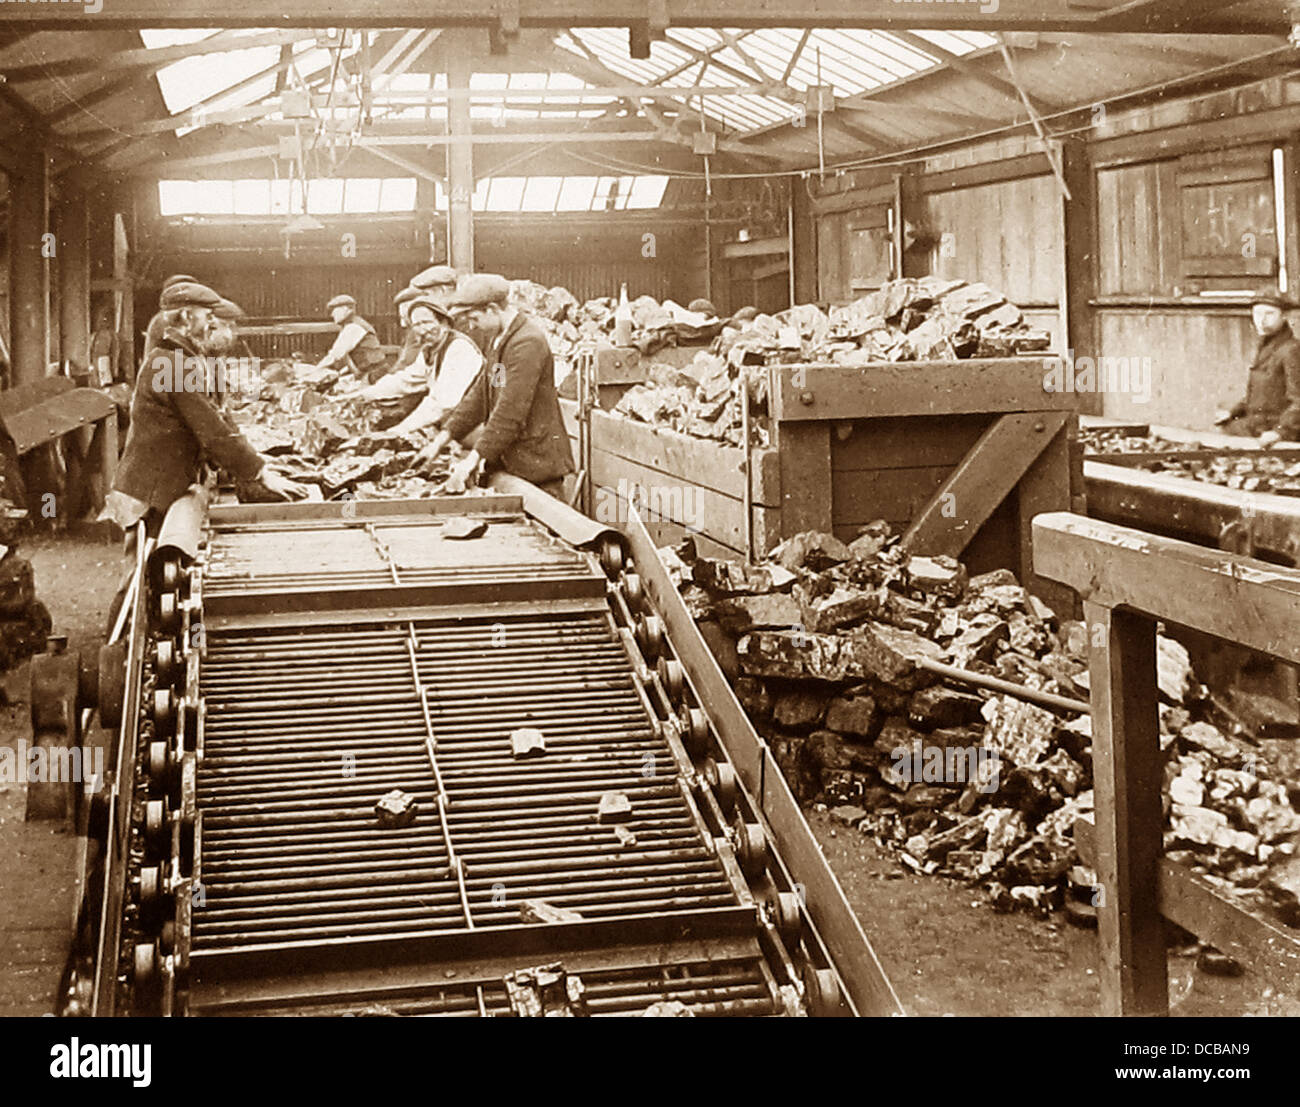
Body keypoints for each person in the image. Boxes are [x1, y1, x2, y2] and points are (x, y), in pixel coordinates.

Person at [104, 281, 307, 538]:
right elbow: (212, 430)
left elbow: (217, 417)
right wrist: (258, 472)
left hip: (158, 487)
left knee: (156, 562)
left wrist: (255, 467)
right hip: (150, 493)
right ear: (188, 318)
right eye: (208, 317)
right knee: (147, 566)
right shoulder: (173, 365)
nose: (213, 324)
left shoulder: (182, 359)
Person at [417, 273, 574, 498]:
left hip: (536, 469)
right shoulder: (500, 339)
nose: (472, 326)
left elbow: (510, 411)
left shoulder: (526, 343)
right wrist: (441, 440)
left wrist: (473, 459)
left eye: (474, 319)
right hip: (513, 463)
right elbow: (481, 395)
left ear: (492, 308)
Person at [353, 296, 482, 435]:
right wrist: (362, 395)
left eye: (426, 322)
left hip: (476, 425)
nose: (422, 330)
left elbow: (442, 403)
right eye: (417, 325)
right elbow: (404, 381)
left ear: (444, 323)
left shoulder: (459, 348)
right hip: (453, 421)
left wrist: (403, 428)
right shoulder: (430, 350)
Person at [1217, 288, 1300, 445]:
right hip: (1257, 426)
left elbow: (1299, 400)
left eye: (1269, 314)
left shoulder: (1291, 350)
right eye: (1257, 314)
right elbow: (1260, 396)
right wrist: (1232, 412)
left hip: (1277, 432)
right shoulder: (1266, 347)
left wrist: (1279, 432)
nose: (1261, 320)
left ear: (1284, 316)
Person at [315, 294, 387, 380]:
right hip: (370, 374)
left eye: (334, 310)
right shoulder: (353, 324)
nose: (332, 315)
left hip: (375, 376)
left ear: (345, 309)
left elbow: (335, 355)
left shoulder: (354, 327)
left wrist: (314, 371)